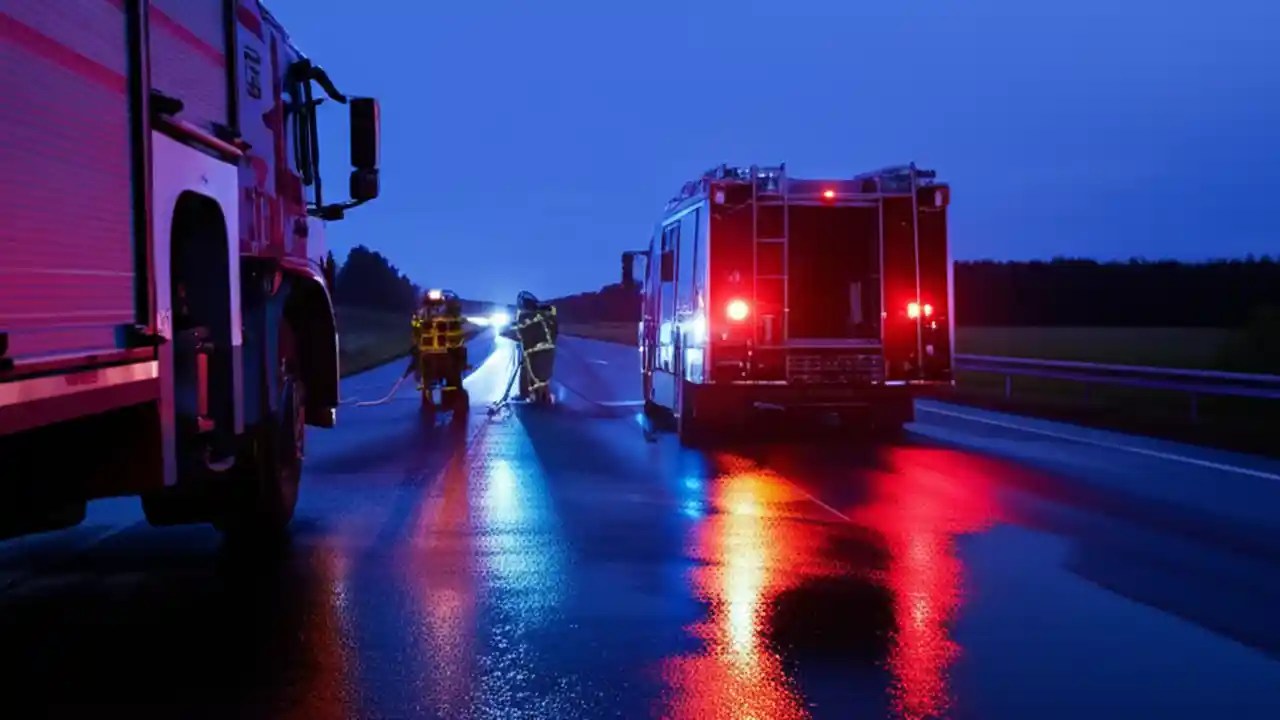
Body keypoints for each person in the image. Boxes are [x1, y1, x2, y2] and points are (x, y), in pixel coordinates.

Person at [502, 291, 558, 404]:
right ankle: (544, 398)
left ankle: (525, 395)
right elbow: (554, 332)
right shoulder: (545, 317)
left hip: (534, 352)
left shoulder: (525, 317)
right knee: (542, 379)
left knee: (526, 370)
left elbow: (519, 333)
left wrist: (504, 331)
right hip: (548, 352)